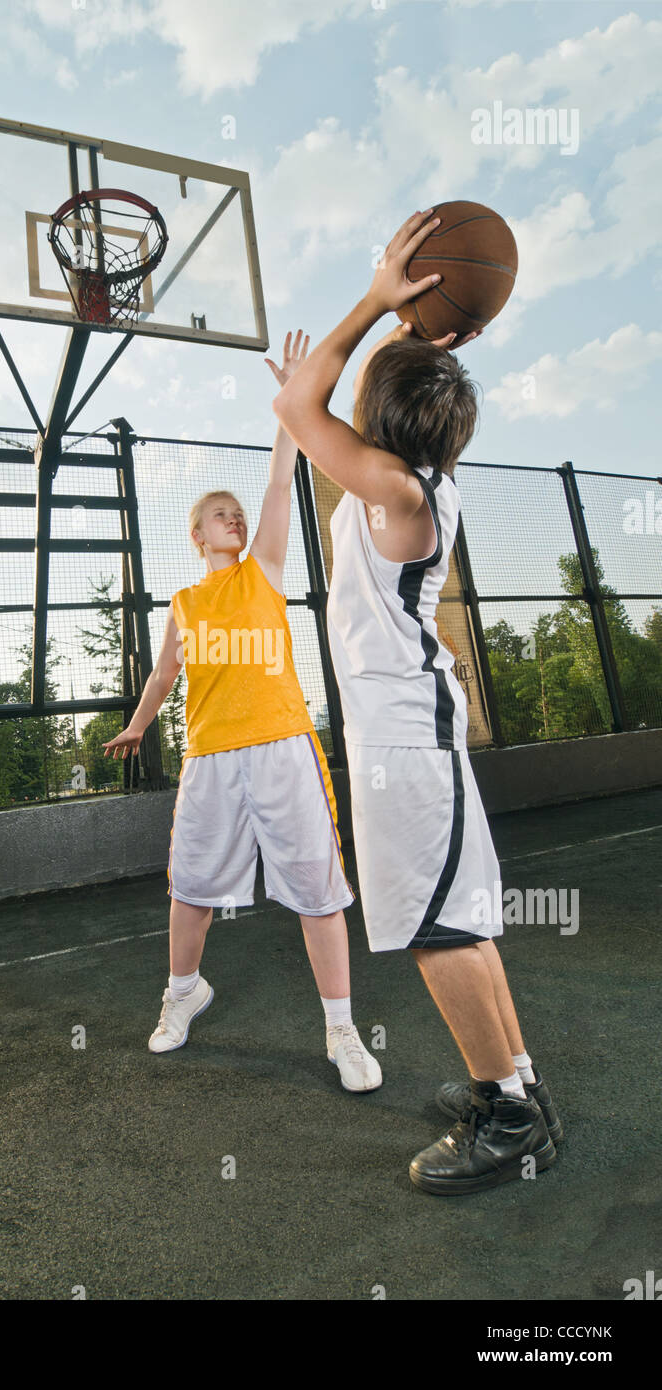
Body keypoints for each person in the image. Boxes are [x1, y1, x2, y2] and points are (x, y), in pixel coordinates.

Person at [272, 208, 562, 1193]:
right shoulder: (417, 480)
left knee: (438, 931)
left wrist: (371, 298)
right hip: (416, 738)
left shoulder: (390, 488)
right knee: (460, 921)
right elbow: (368, 397)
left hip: (405, 747)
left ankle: (508, 1115)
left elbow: (299, 406)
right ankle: (511, 1083)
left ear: (381, 418)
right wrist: (427, 324)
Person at [102, 331, 381, 1093]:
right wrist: (136, 722)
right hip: (210, 756)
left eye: (234, 511)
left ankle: (340, 1029)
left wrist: (291, 405)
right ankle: (183, 992)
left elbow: (278, 475)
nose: (231, 517)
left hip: (282, 745)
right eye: (217, 514)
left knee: (316, 889)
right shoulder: (187, 602)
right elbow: (164, 675)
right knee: (189, 886)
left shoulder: (264, 569)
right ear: (196, 537)